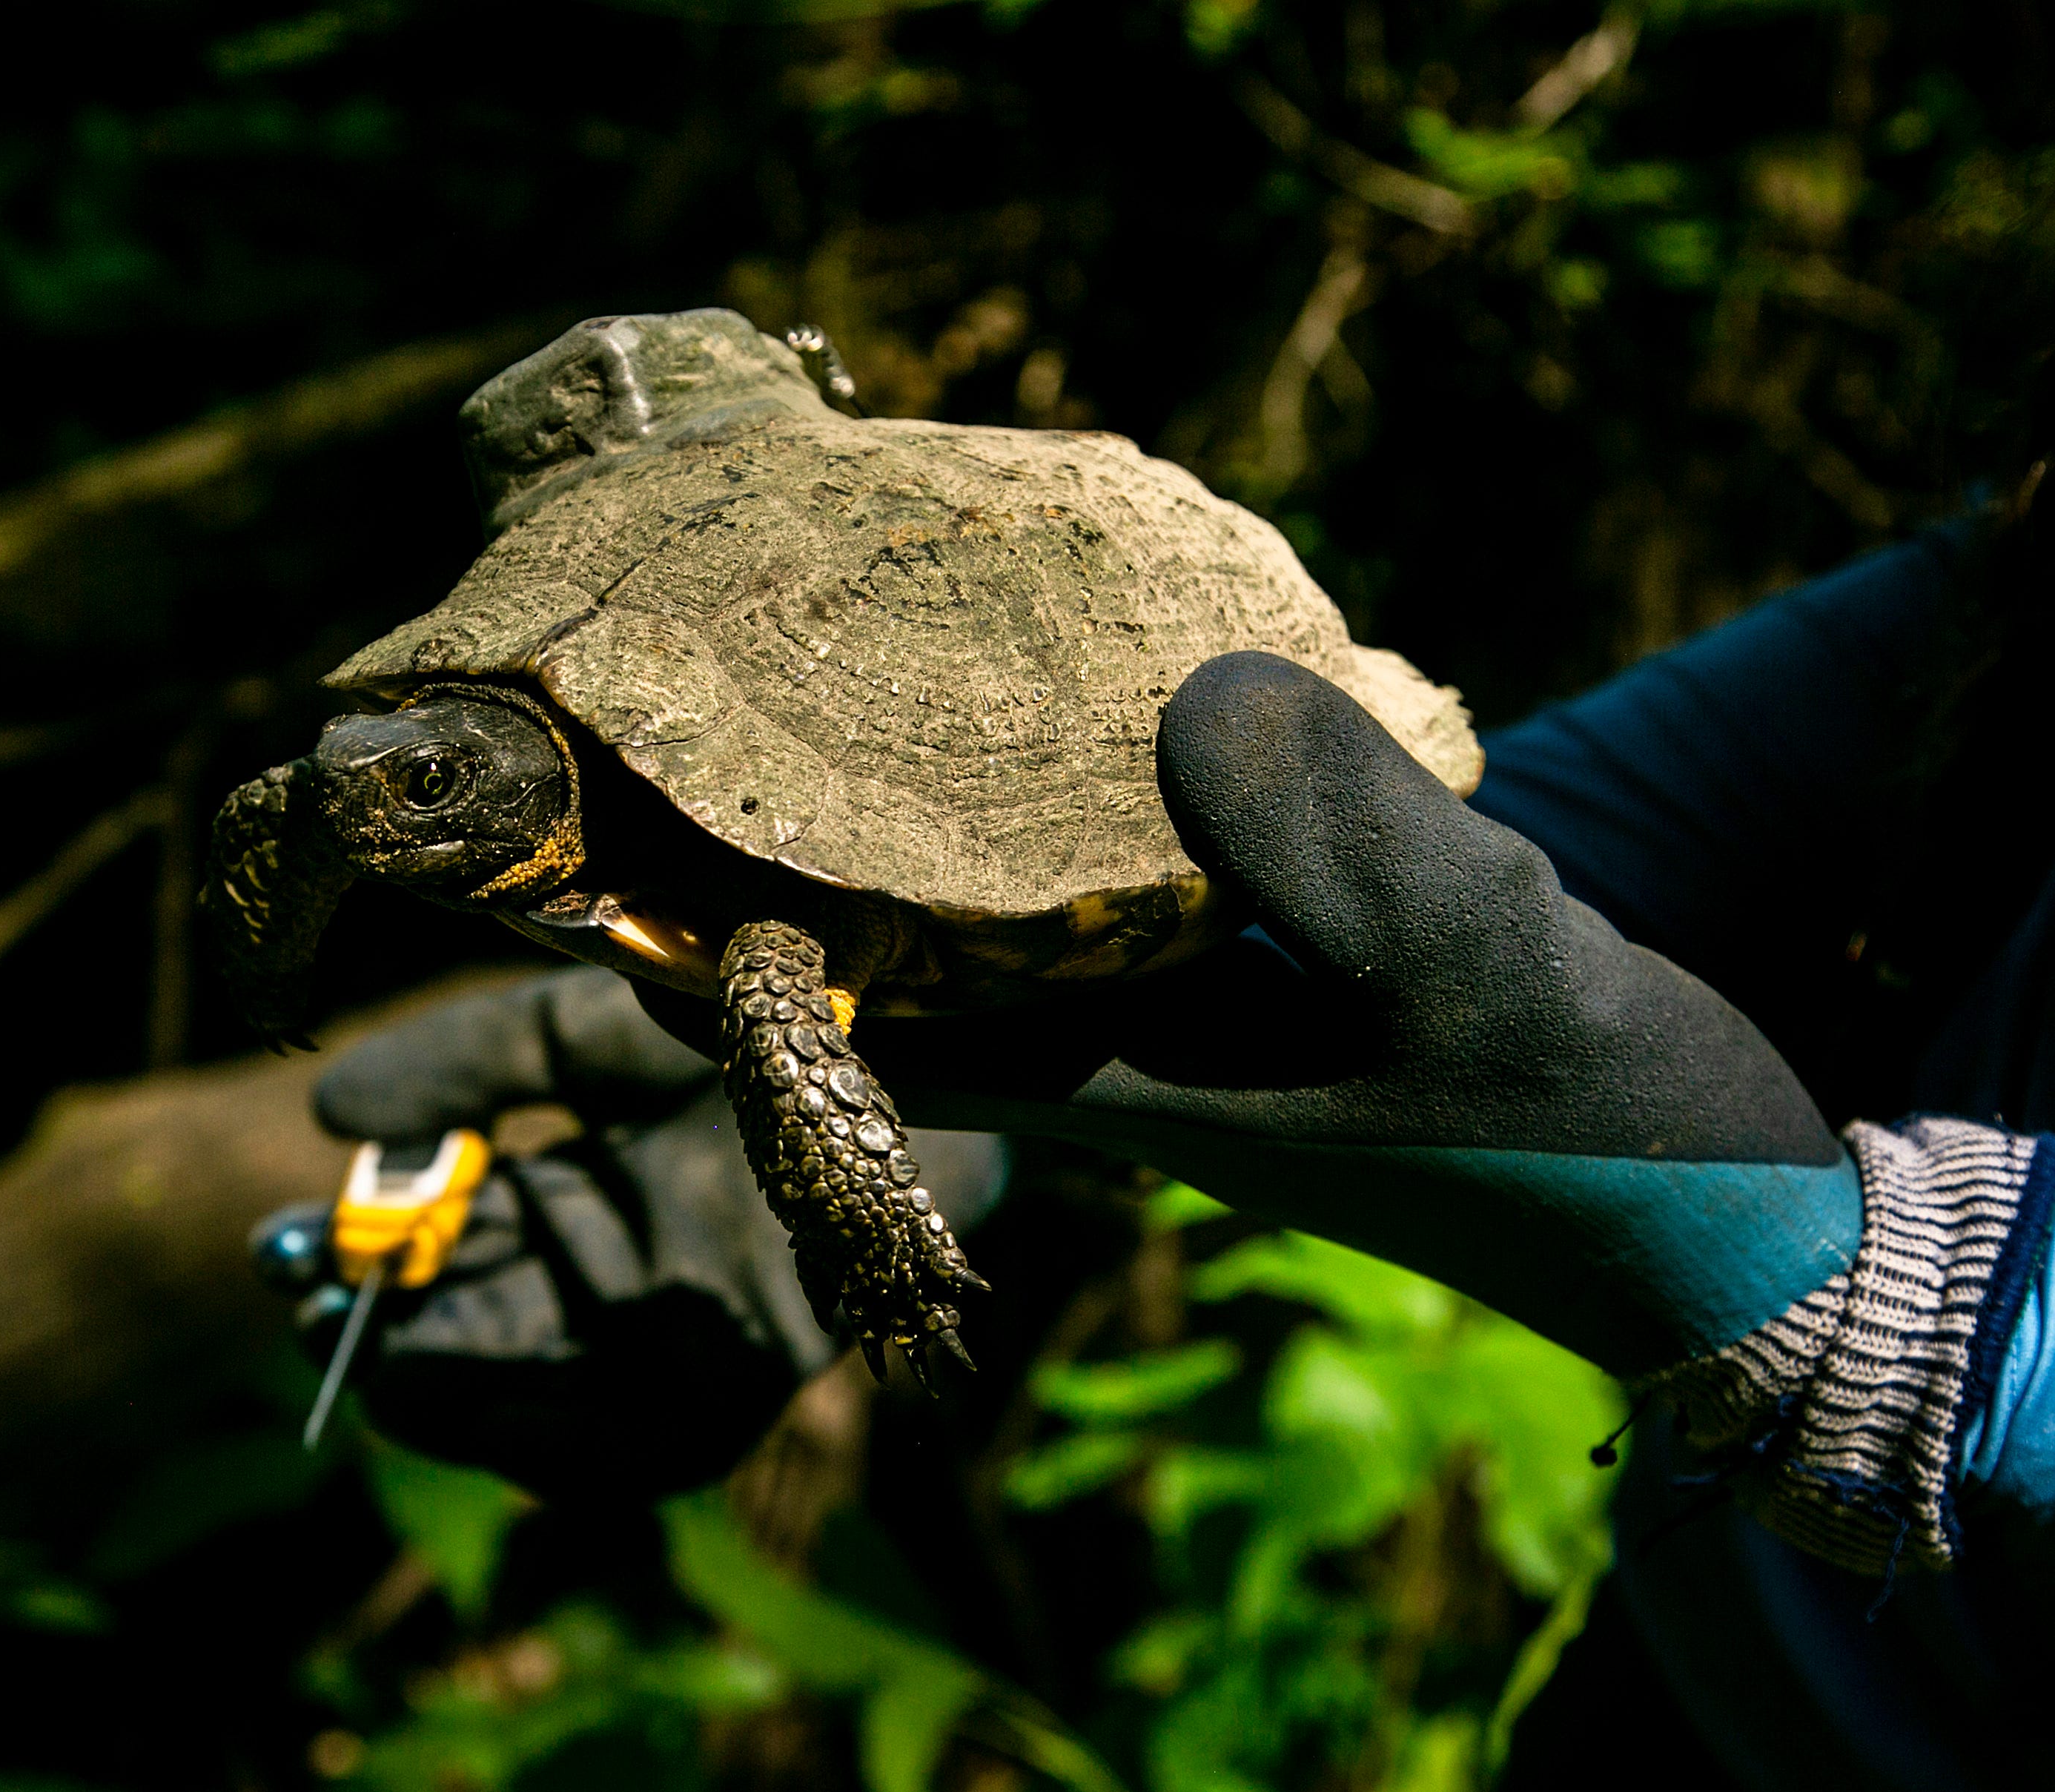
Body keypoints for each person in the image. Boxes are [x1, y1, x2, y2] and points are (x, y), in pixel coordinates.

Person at [291, 442, 2053, 1788]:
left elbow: (786, 957)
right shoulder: (2016, 574)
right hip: (1701, 1689)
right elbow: (1560, 816)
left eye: (436, 781)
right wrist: (992, 1067)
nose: (365, 807)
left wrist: (1900, 1326)